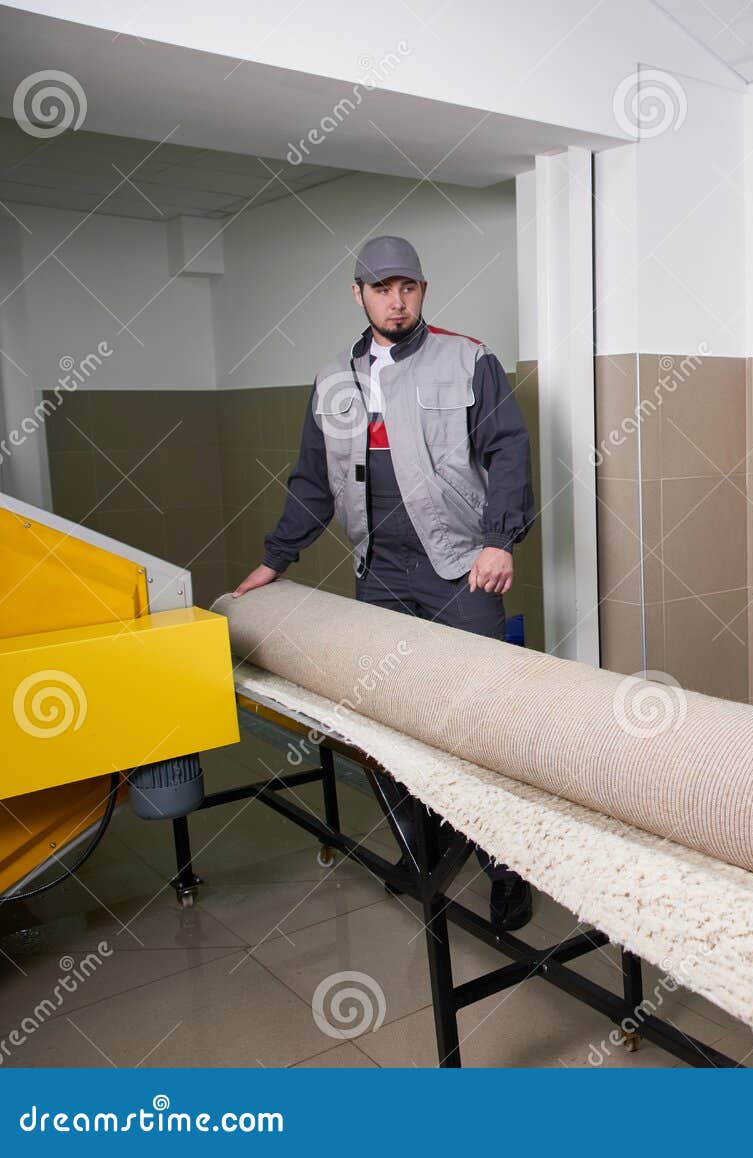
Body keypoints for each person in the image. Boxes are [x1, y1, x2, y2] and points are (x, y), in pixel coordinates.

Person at [232, 235, 538, 928]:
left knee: (480, 718)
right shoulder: (334, 380)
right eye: (381, 289)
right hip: (382, 575)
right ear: (359, 294)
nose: (396, 301)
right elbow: (313, 481)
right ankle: (426, 847)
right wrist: (275, 560)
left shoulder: (467, 359)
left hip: (460, 566)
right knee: (390, 724)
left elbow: (508, 451)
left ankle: (505, 866)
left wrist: (499, 540)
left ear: (423, 291)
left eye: (409, 288)